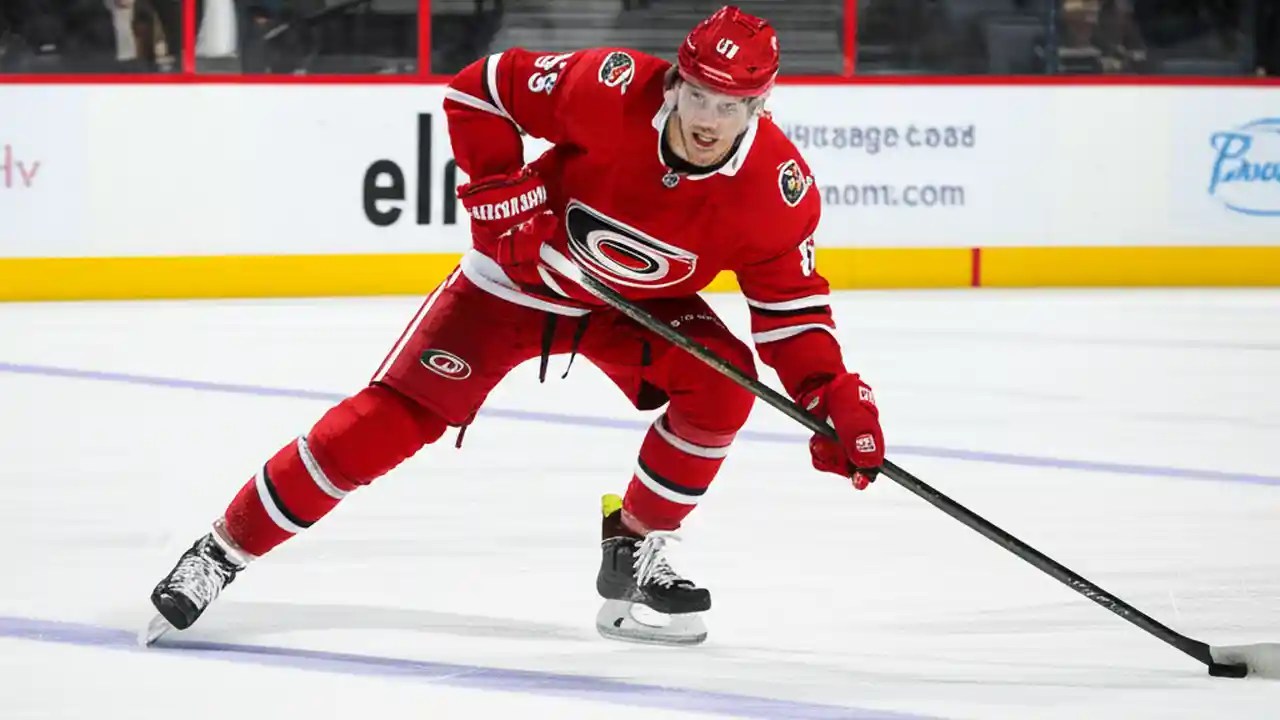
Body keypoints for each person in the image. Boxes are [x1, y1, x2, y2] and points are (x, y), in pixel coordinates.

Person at [144, 5, 886, 647]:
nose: (705, 119)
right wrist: (500, 195)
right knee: (386, 423)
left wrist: (832, 397)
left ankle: (634, 544)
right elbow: (477, 91)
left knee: (724, 388)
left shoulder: (778, 194)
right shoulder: (609, 84)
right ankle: (221, 550)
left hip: (635, 308)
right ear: (676, 81)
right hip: (514, 283)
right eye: (696, 94)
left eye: (729, 106)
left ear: (762, 105)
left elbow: (791, 315)